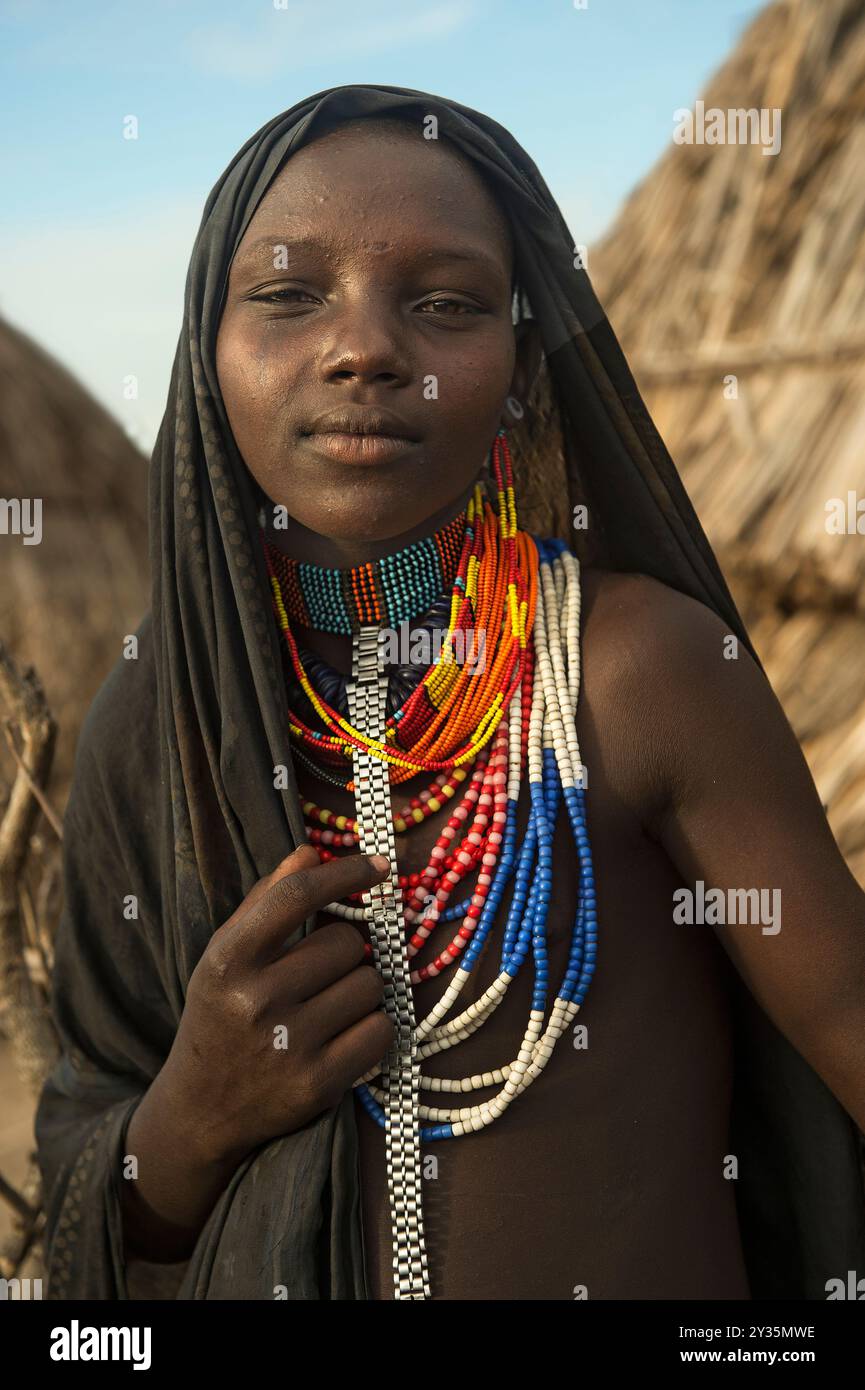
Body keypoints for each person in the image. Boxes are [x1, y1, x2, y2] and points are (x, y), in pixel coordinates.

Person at [35, 84, 865, 1302]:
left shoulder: (635, 672)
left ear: (523, 362)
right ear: (204, 355)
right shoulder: (153, 721)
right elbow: (100, 1202)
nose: (365, 347)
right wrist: (192, 1111)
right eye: (284, 294)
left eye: (445, 302)